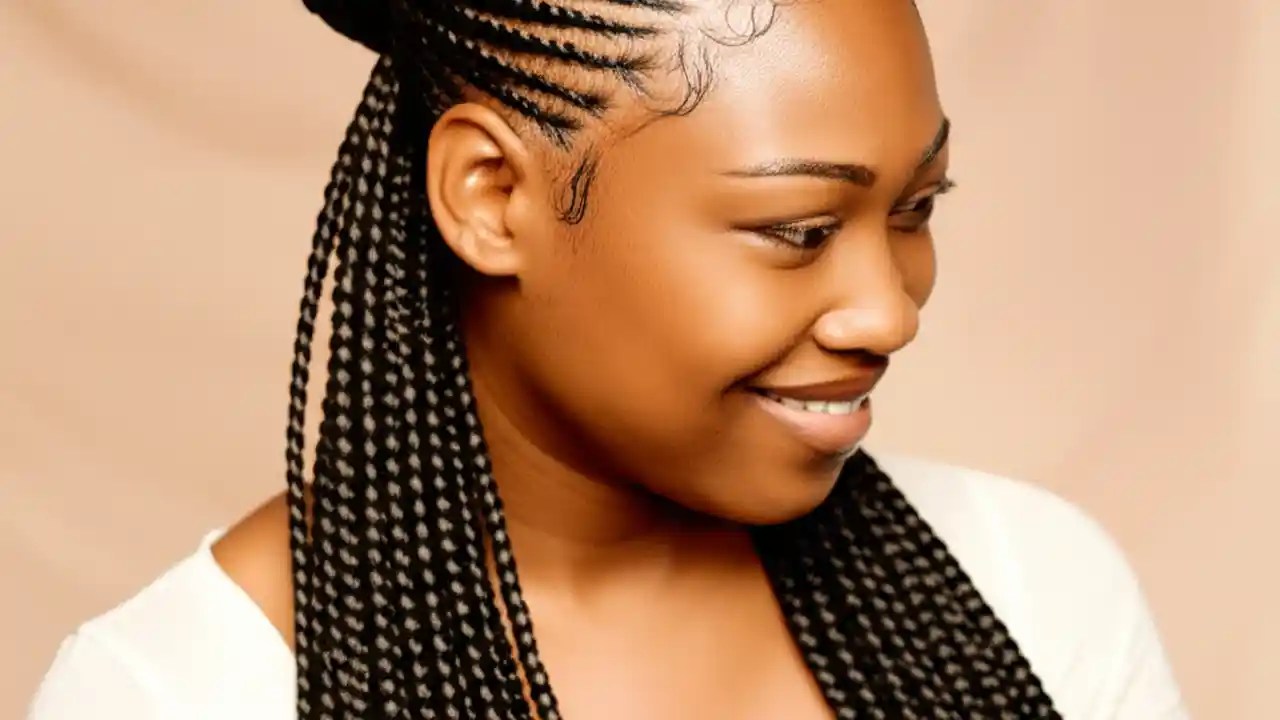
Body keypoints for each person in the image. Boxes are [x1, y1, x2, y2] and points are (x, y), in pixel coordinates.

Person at [29, 0, 1190, 718]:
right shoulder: (183, 694)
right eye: (797, 230)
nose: (887, 315)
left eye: (914, 209)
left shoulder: (1031, 587)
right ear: (491, 196)